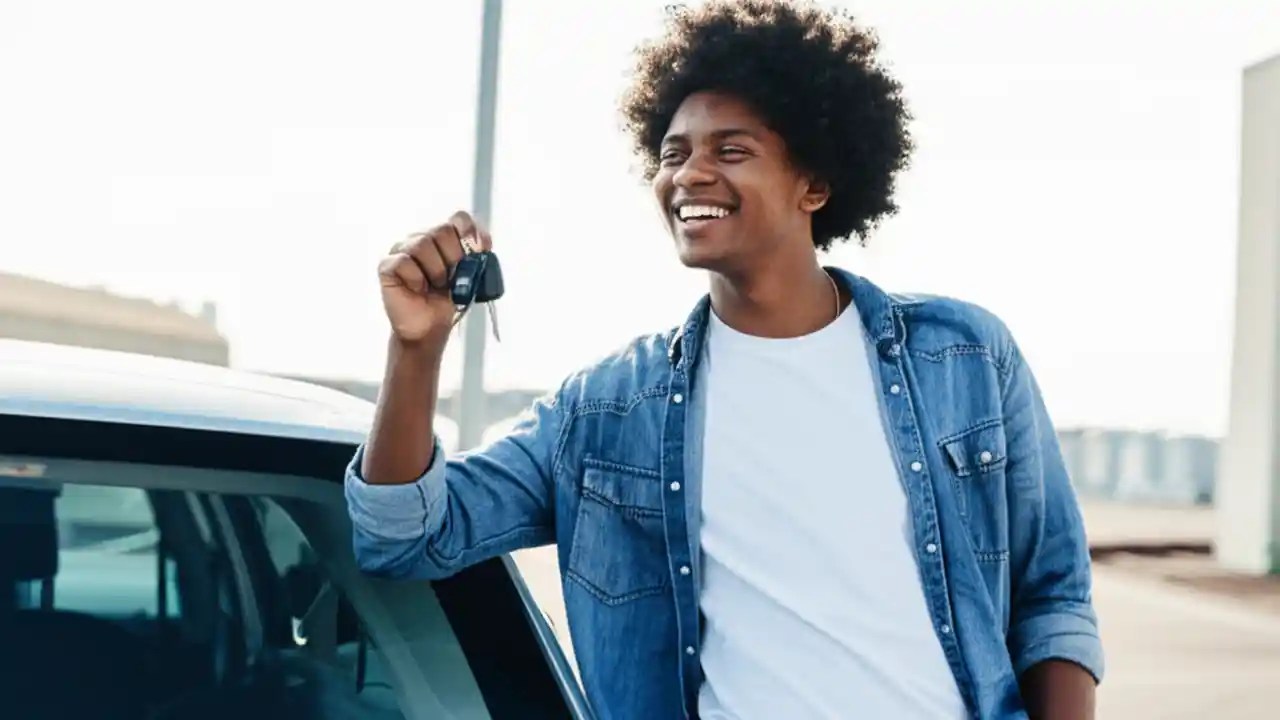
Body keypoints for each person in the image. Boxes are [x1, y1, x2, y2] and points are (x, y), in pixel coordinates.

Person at [343, 1, 1103, 718]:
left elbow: (1053, 598)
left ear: (815, 184)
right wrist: (417, 349)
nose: (690, 175)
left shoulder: (962, 357)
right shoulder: (610, 408)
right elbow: (407, 535)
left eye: (730, 151)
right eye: (673, 154)